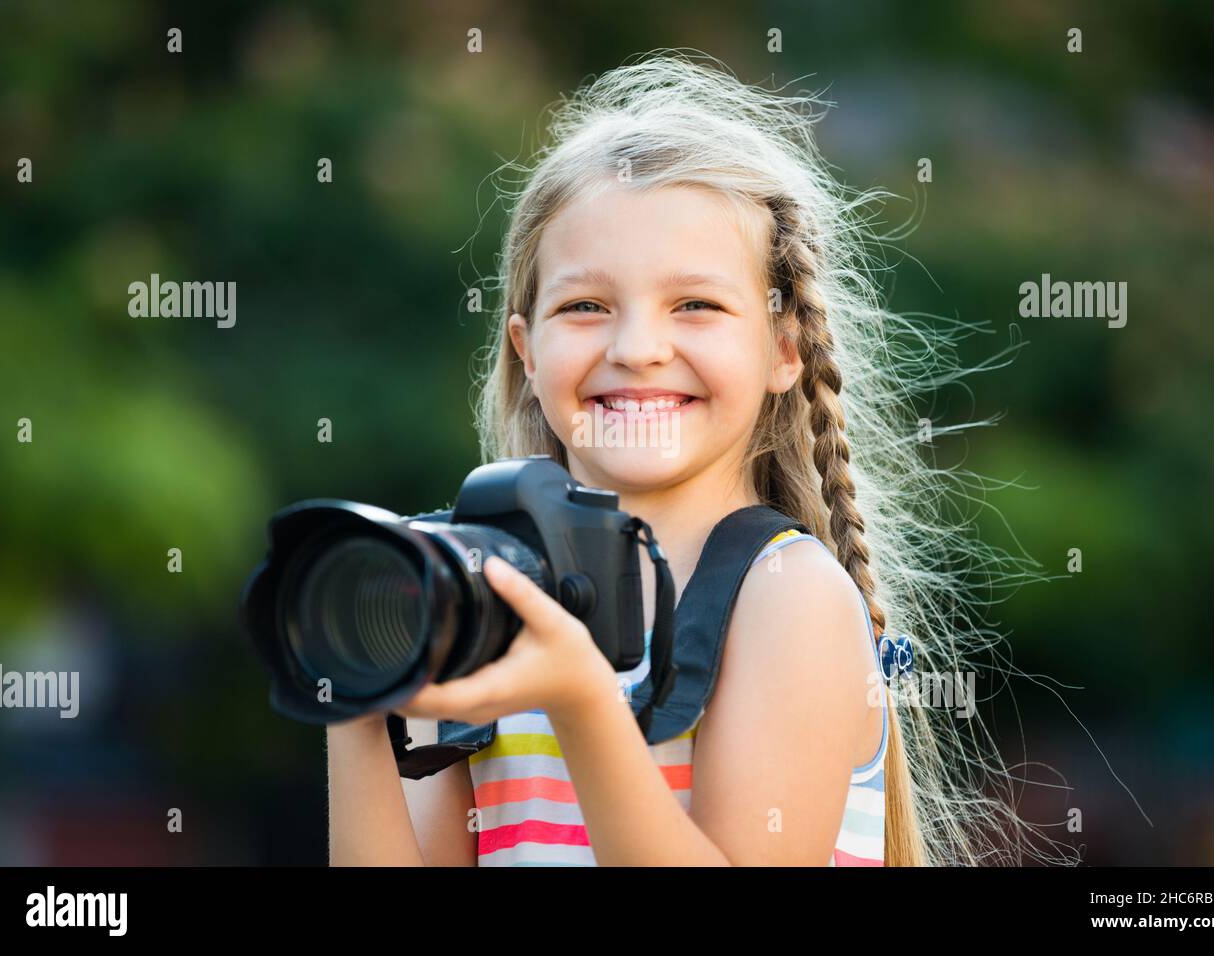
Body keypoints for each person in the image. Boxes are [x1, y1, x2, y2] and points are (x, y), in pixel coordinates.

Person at [327, 52, 1036, 867]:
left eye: (695, 305)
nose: (637, 348)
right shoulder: (475, 598)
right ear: (527, 349)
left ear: (784, 348)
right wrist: (355, 692)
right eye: (585, 306)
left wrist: (582, 701)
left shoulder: (784, 597)